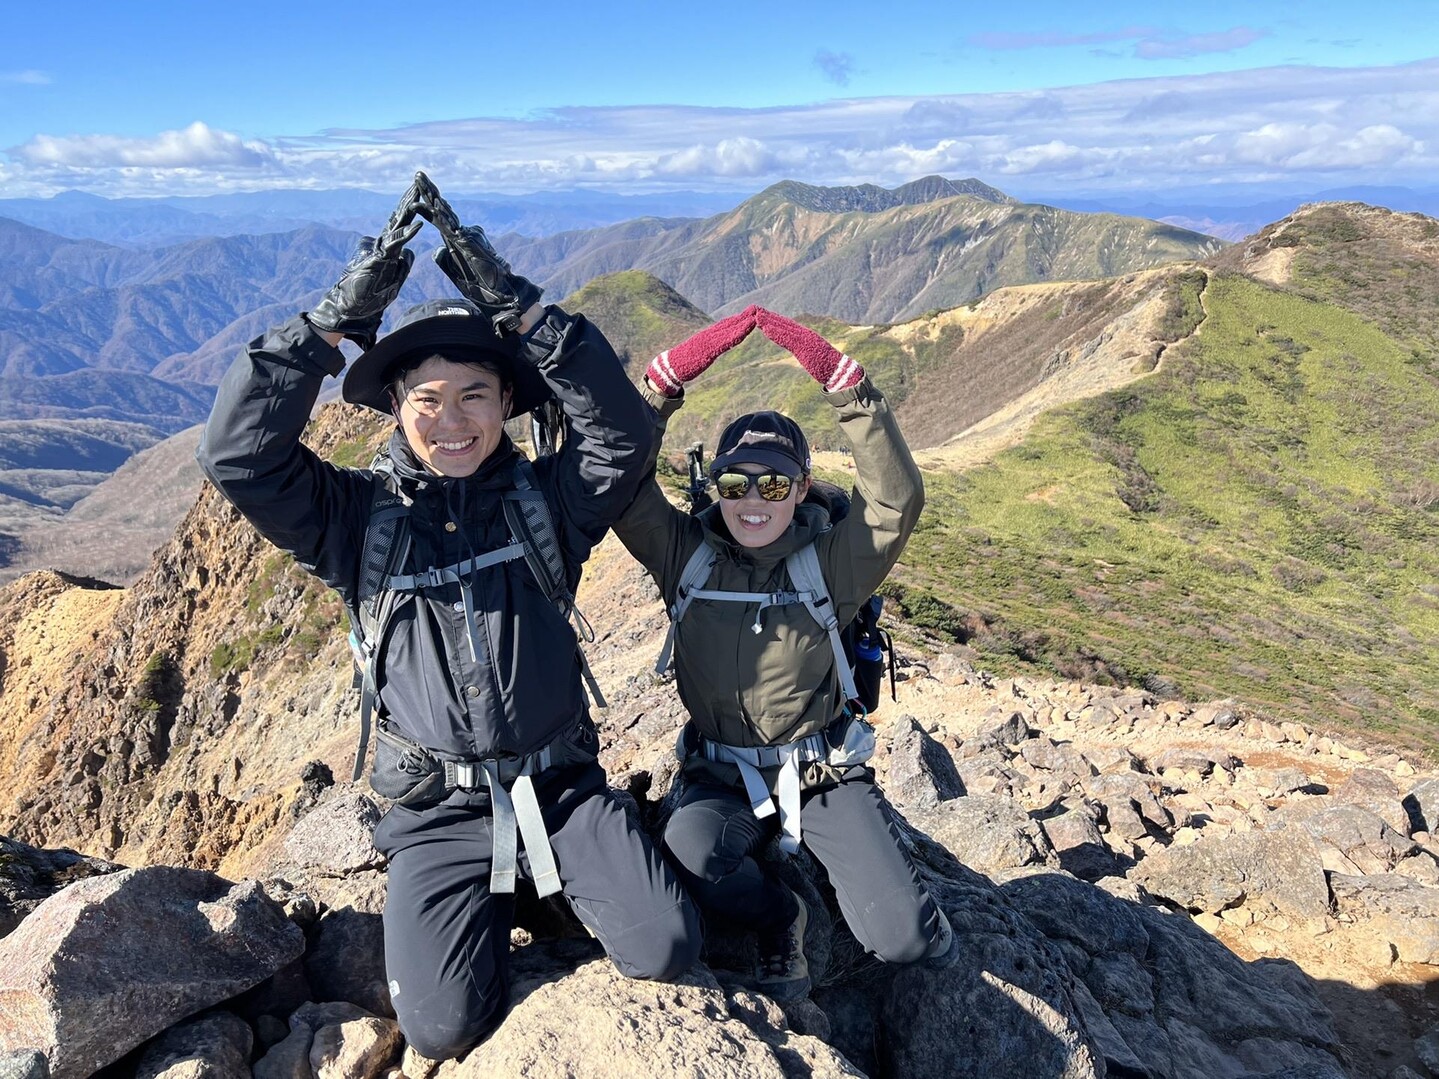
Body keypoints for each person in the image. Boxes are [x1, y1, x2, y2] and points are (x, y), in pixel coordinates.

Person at [196, 173, 699, 1059]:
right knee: (441, 1025)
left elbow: (622, 432)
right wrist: (326, 328)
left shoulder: (547, 501)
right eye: (426, 398)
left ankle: (561, 878)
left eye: (475, 394)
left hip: (564, 788)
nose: (452, 419)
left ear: (508, 404)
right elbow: (237, 455)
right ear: (395, 408)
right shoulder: (353, 522)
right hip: (438, 812)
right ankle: (524, 891)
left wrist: (522, 311)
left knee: (665, 946)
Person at [613, 305, 954, 1001]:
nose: (754, 500)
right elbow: (620, 485)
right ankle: (779, 911)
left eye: (773, 483)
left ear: (800, 487)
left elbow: (896, 497)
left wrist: (842, 382)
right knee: (689, 862)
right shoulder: (686, 555)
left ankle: (898, 886)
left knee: (904, 940)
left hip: (820, 768)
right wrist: (660, 388)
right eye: (735, 484)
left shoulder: (832, 563)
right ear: (716, 489)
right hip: (717, 770)